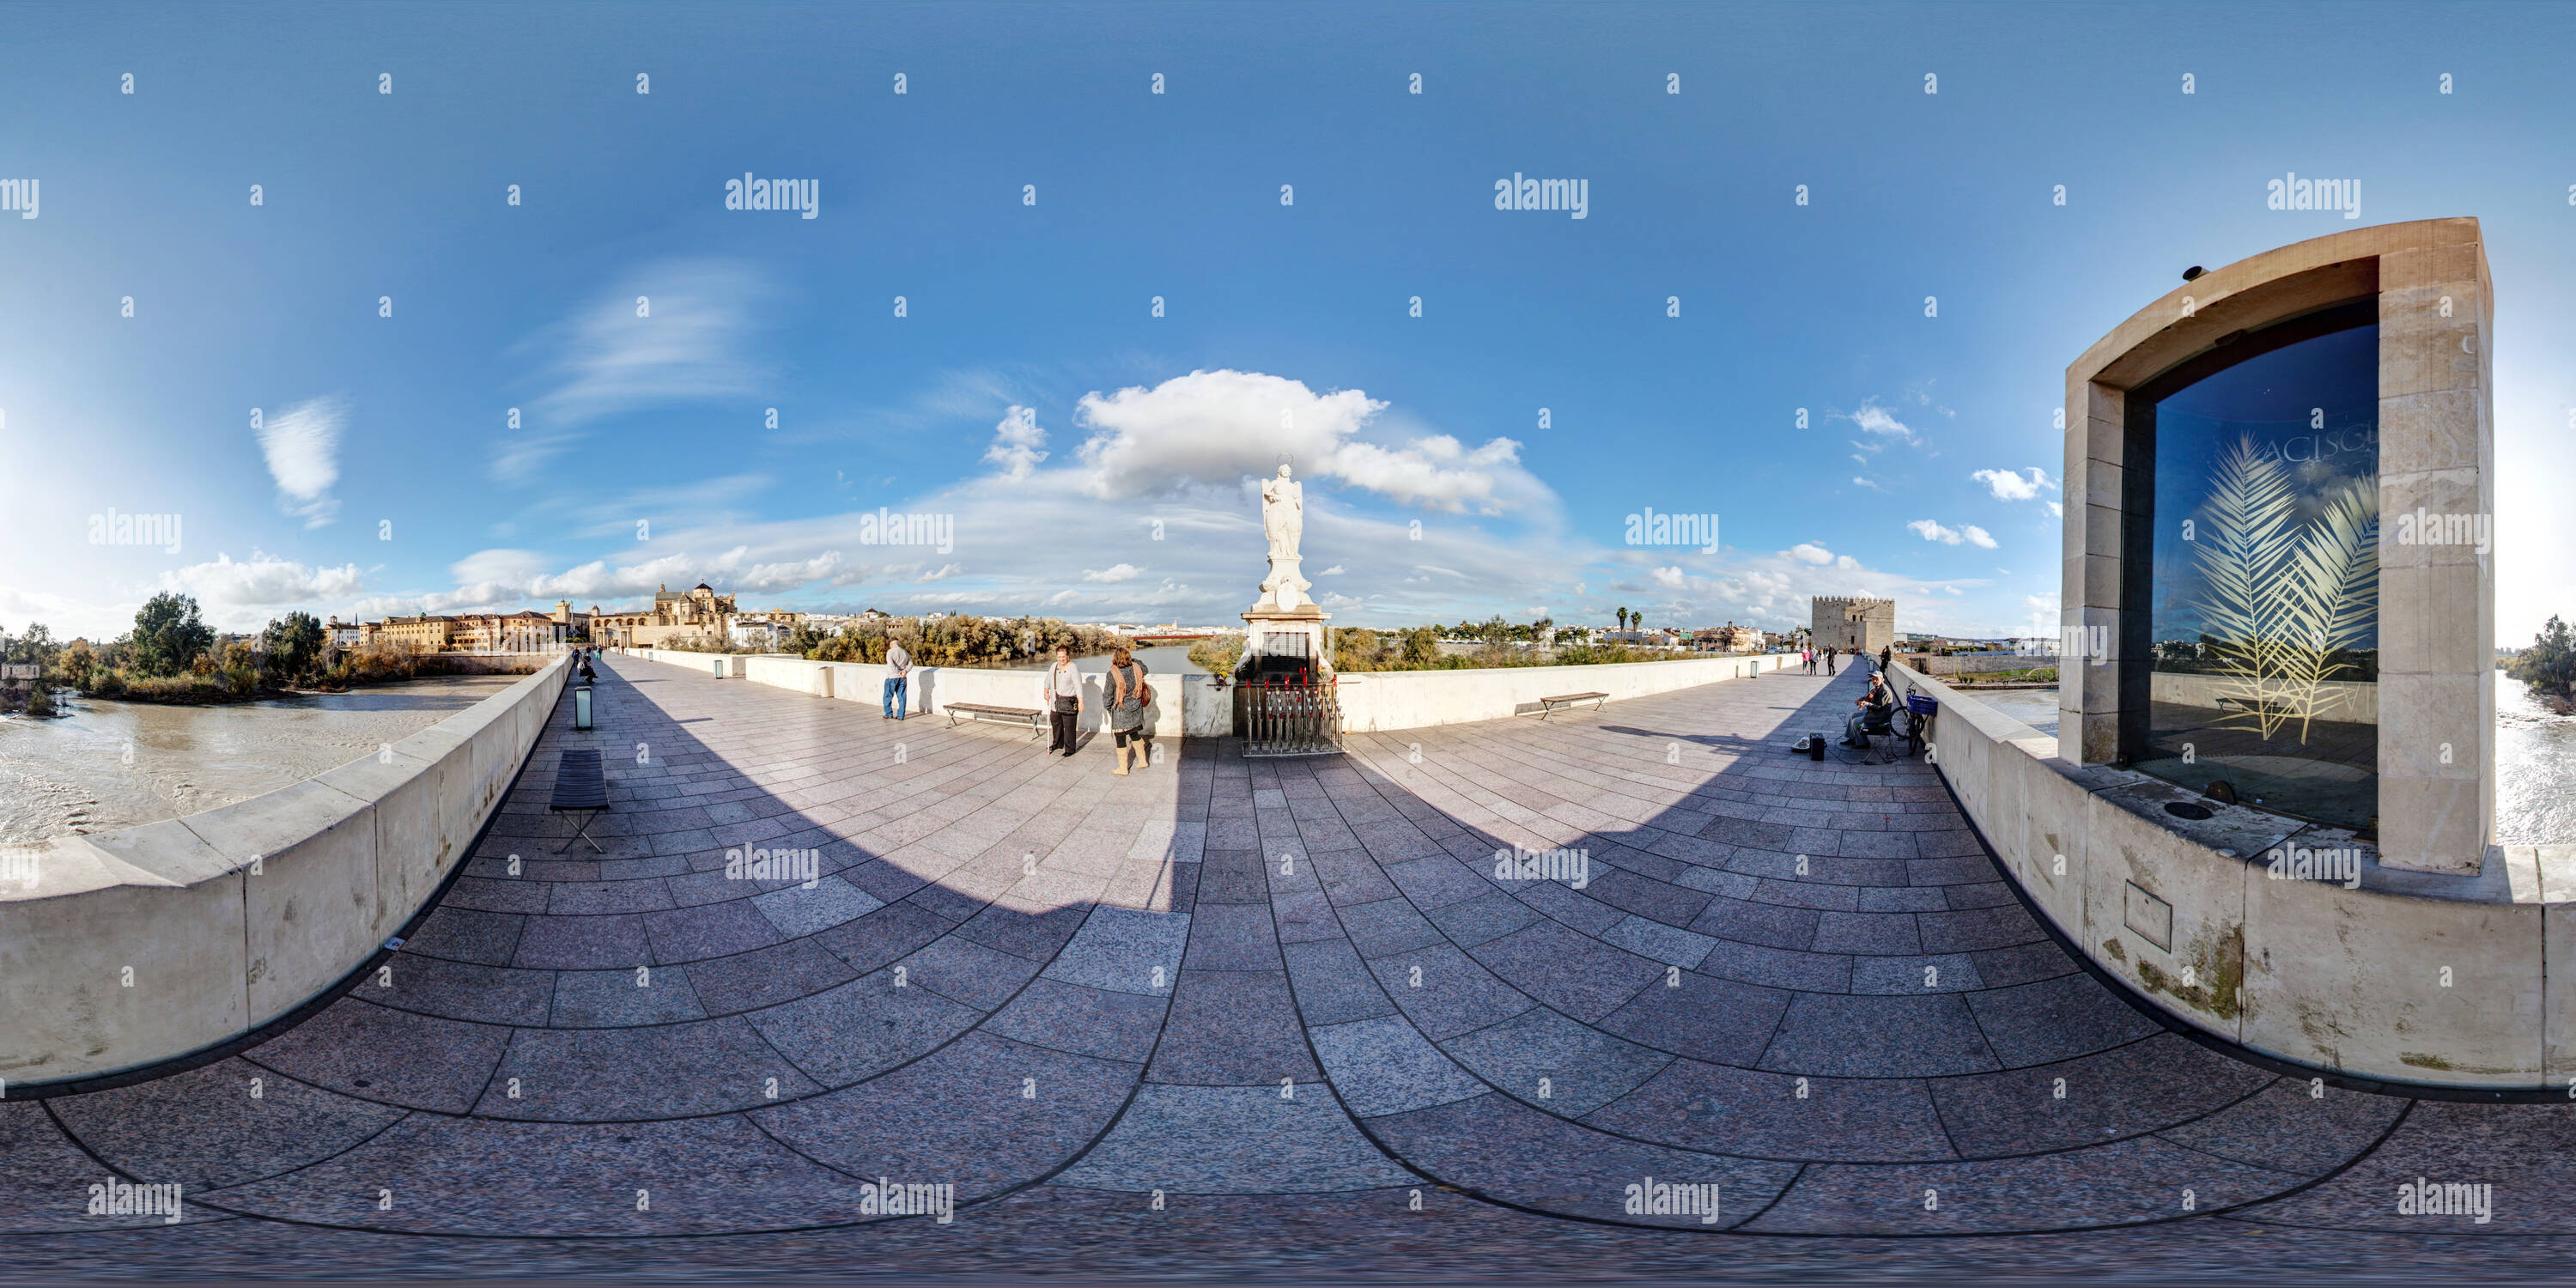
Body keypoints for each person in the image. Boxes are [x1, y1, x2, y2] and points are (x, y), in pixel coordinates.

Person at [1105, 645, 1152, 775]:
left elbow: (1108, 696)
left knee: (1120, 739)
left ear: (1114, 658)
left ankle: (1123, 768)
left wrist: (1110, 709)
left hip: (1120, 710)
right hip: (1136, 710)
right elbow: (1145, 668)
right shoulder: (1136, 668)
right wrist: (1133, 660)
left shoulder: (1111, 675)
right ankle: (1143, 761)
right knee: (1134, 733)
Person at [1036, 645, 1082, 756]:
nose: (1061, 659)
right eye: (1059, 657)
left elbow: (1078, 686)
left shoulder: (1073, 668)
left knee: (1069, 726)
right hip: (1055, 702)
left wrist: (1081, 702)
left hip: (1068, 701)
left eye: (1064, 657)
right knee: (1056, 723)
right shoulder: (1054, 666)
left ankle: (1070, 749)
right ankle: (1057, 743)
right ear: (1056, 657)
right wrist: (1046, 692)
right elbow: (1047, 680)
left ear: (1068, 656)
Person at [1844, 673, 1894, 747]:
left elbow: (1879, 707)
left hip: (1880, 716)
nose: (1874, 681)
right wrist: (1861, 699)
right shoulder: (1877, 688)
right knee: (1852, 716)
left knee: (1856, 722)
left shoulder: (1884, 690)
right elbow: (1868, 697)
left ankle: (1863, 743)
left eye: (1876, 679)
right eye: (1873, 679)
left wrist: (1867, 704)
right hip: (1873, 712)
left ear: (1882, 679)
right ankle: (1852, 738)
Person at [882, 638, 912, 720]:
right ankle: (901, 716)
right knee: (902, 697)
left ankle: (888, 714)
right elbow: (911, 664)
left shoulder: (890, 652)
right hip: (903, 678)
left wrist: (898, 672)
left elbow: (891, 665)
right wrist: (905, 671)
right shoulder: (904, 652)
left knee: (887, 696)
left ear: (891, 644)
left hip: (892, 677)